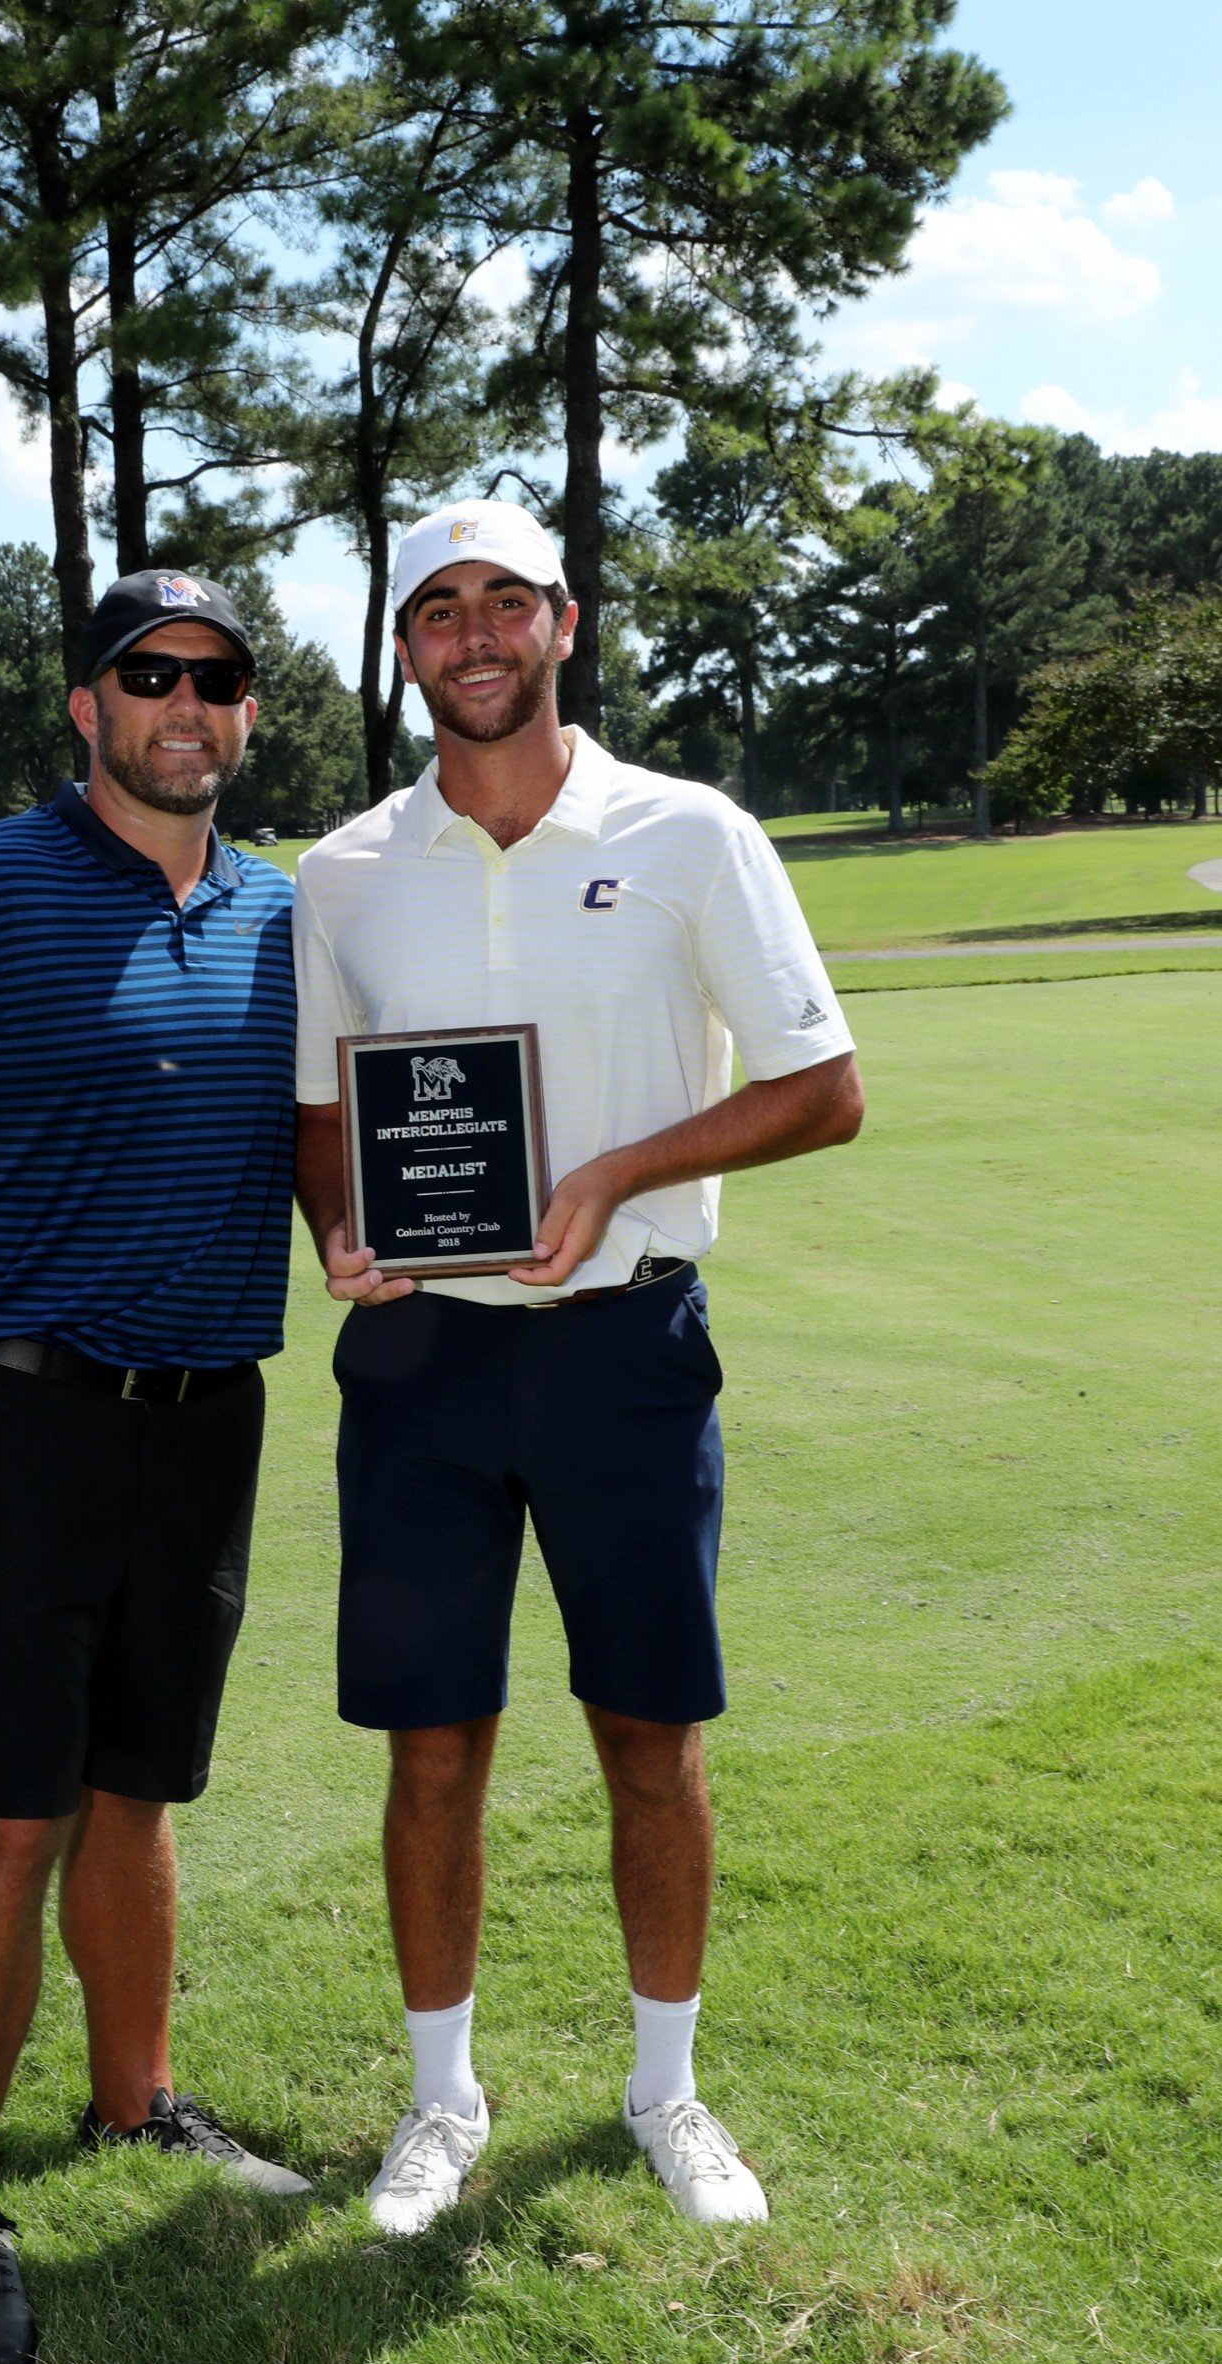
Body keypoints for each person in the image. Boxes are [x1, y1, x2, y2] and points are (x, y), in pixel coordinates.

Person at [292, 501, 864, 2238]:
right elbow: (328, 1114)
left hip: (623, 1346)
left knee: (648, 1729)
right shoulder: (341, 870)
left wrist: (613, 1173)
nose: (470, 636)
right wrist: (340, 1226)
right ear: (402, 650)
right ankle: (439, 2100)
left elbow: (820, 1084)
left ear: (563, 624)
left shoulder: (688, 833)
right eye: (435, 611)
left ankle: (664, 2092)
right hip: (419, 1359)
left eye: (503, 605)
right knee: (431, 1744)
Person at [0, 568, 308, 2364]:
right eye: (149, 674)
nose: (187, 702)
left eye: (218, 677)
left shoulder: (277, 906)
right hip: (18, 1416)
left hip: (210, 1415)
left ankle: (131, 2104)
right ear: (86, 707)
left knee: (141, 1795)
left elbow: (323, 1134)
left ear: (249, 711)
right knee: (13, 1818)